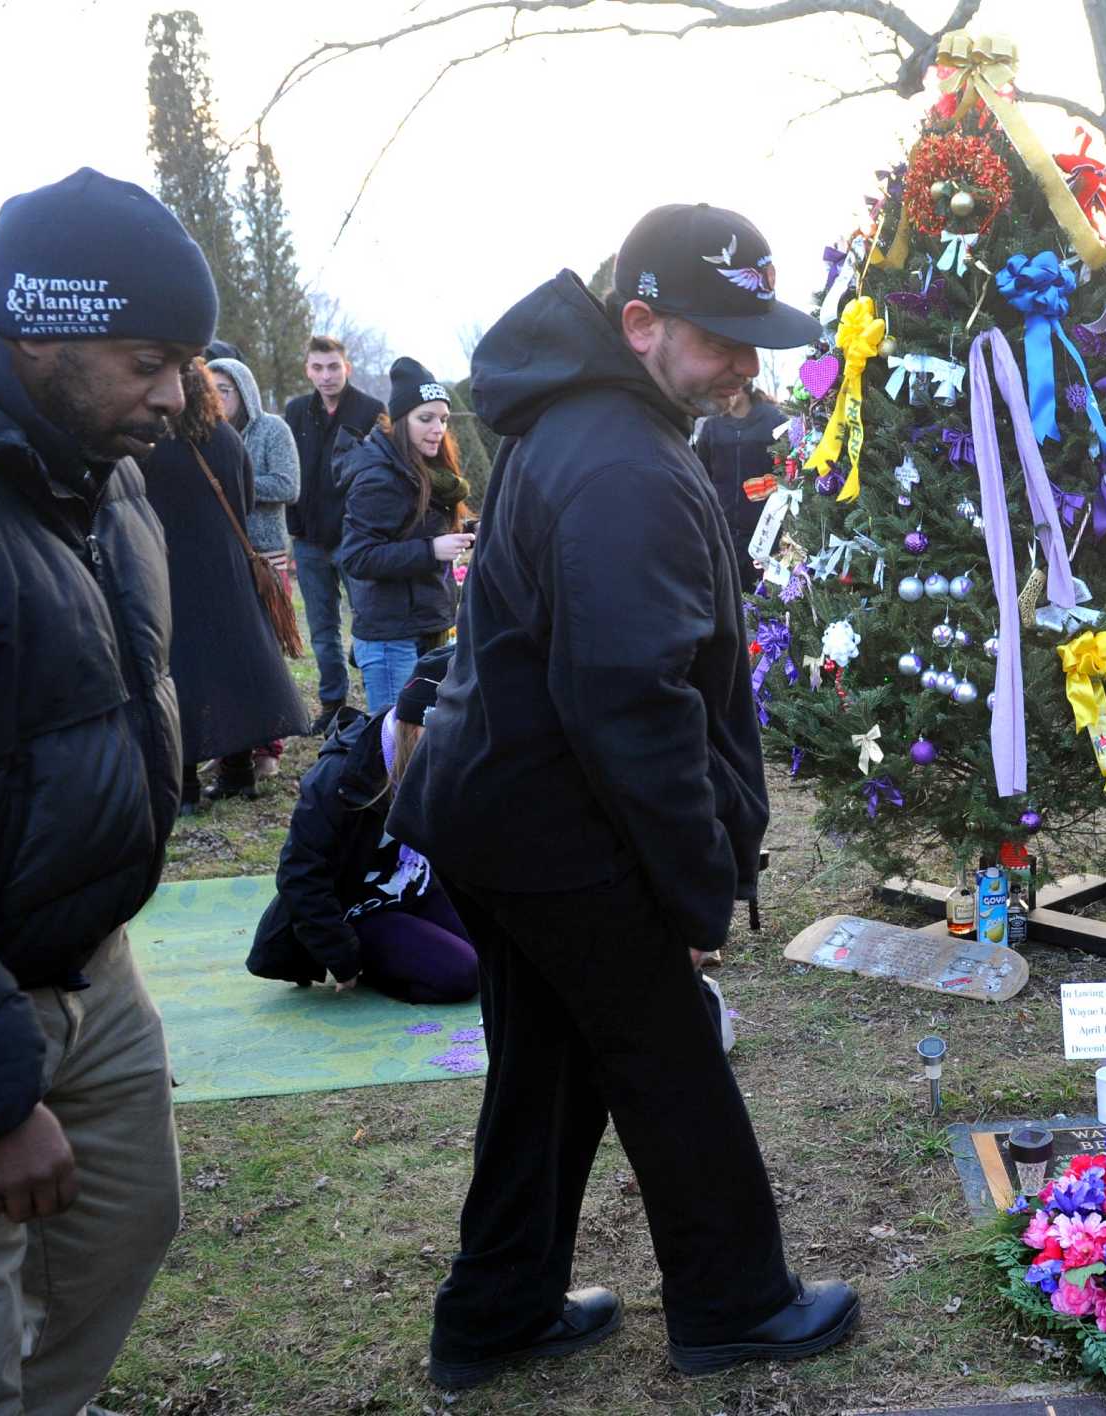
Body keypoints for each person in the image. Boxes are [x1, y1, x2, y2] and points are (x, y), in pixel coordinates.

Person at [389, 203, 858, 1388]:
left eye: (755, 339)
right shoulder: (619, 462)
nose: (745, 365)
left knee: (545, 1072)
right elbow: (630, 703)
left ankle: (496, 1313)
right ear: (640, 322)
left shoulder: (594, 424)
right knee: (669, 1063)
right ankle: (734, 1301)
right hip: (562, 825)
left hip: (506, 809)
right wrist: (696, 887)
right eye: (723, 338)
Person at [0, 168, 212, 1414]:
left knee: (127, 1224)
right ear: (42, 330)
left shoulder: (107, 474)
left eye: (184, 363)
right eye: (149, 361)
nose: (177, 396)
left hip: (93, 965)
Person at [249, 647, 477, 1004]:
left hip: (413, 884)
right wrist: (341, 953)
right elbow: (300, 873)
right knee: (462, 974)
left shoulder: (447, 760)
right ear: (416, 728)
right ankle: (377, 967)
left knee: (496, 950)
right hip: (359, 907)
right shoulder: (341, 775)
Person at [144, 359, 309, 809]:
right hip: (229, 569)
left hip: (173, 570)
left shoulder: (155, 444)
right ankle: (238, 773)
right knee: (233, 668)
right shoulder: (227, 438)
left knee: (180, 673)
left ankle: (184, 787)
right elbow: (246, 498)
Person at [335, 358, 473, 716]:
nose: (438, 429)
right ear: (401, 420)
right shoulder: (378, 477)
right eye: (425, 418)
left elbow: (416, 528)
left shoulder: (425, 469)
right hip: (391, 638)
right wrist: (431, 550)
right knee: (395, 739)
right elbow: (357, 558)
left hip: (428, 626)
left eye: (443, 419)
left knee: (424, 736)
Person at [285, 334, 384, 734]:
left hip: (354, 538)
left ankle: (379, 700)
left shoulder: (370, 411)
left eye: (333, 367)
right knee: (322, 629)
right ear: (307, 370)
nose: (326, 375)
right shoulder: (296, 411)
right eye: (318, 367)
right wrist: (293, 528)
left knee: (370, 619)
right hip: (309, 539)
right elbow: (290, 469)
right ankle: (332, 703)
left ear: (347, 368)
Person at [210, 353, 301, 782]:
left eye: (224, 390)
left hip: (265, 558)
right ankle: (233, 747)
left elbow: (288, 484)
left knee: (265, 653)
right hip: (220, 555)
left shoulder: (272, 430)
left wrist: (232, 482)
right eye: (210, 390)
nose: (217, 398)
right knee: (226, 654)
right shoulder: (206, 435)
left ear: (244, 391)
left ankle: (269, 747)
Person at [692, 383, 787, 587]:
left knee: (763, 598)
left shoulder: (773, 420)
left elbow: (788, 472)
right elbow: (701, 477)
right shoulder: (712, 426)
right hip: (723, 533)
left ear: (744, 385)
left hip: (766, 535)